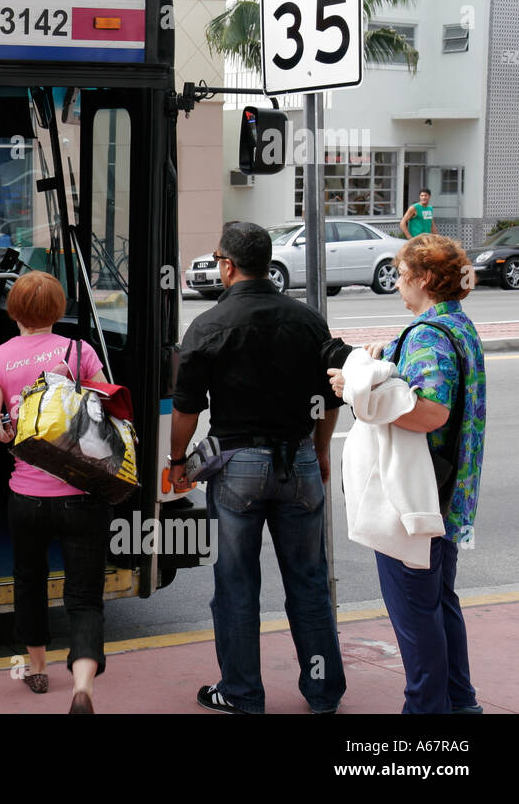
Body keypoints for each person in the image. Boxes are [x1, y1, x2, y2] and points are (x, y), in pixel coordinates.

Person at [170, 222, 346, 714]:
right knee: (309, 581)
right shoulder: (308, 320)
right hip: (300, 461)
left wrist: (177, 461)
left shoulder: (207, 324)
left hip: (237, 467)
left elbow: (187, 407)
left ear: (227, 264)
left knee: (237, 583)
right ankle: (323, 692)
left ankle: (243, 693)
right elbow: (330, 395)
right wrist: (322, 448)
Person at [328, 234, 485, 713]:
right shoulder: (459, 325)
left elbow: (431, 411)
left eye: (401, 274)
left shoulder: (427, 335)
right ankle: (460, 704)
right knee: (440, 605)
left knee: (416, 619)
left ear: (423, 279)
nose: (397, 282)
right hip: (445, 491)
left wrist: (358, 391)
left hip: (413, 497)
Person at [0, 271, 110, 714]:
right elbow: (105, 410)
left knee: (29, 580)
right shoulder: (79, 351)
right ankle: (83, 687)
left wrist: (13, 427)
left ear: (13, 311)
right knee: (85, 594)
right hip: (81, 494)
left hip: (26, 497)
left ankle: (36, 667)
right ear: (58, 309)